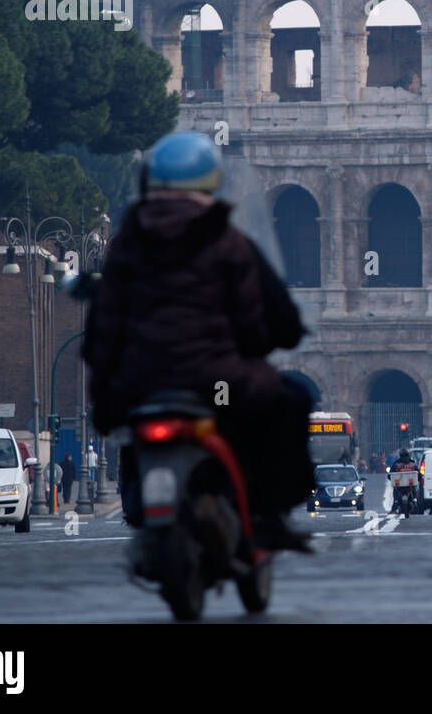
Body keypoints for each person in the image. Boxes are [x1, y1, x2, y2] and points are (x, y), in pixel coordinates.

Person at [83, 131, 313, 552]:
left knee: (134, 429)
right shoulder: (231, 242)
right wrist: (280, 331)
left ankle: (138, 497)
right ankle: (268, 511)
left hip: (143, 384)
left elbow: (101, 328)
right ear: (210, 183)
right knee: (284, 399)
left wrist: (106, 391)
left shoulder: (125, 248)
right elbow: (271, 314)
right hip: (217, 383)